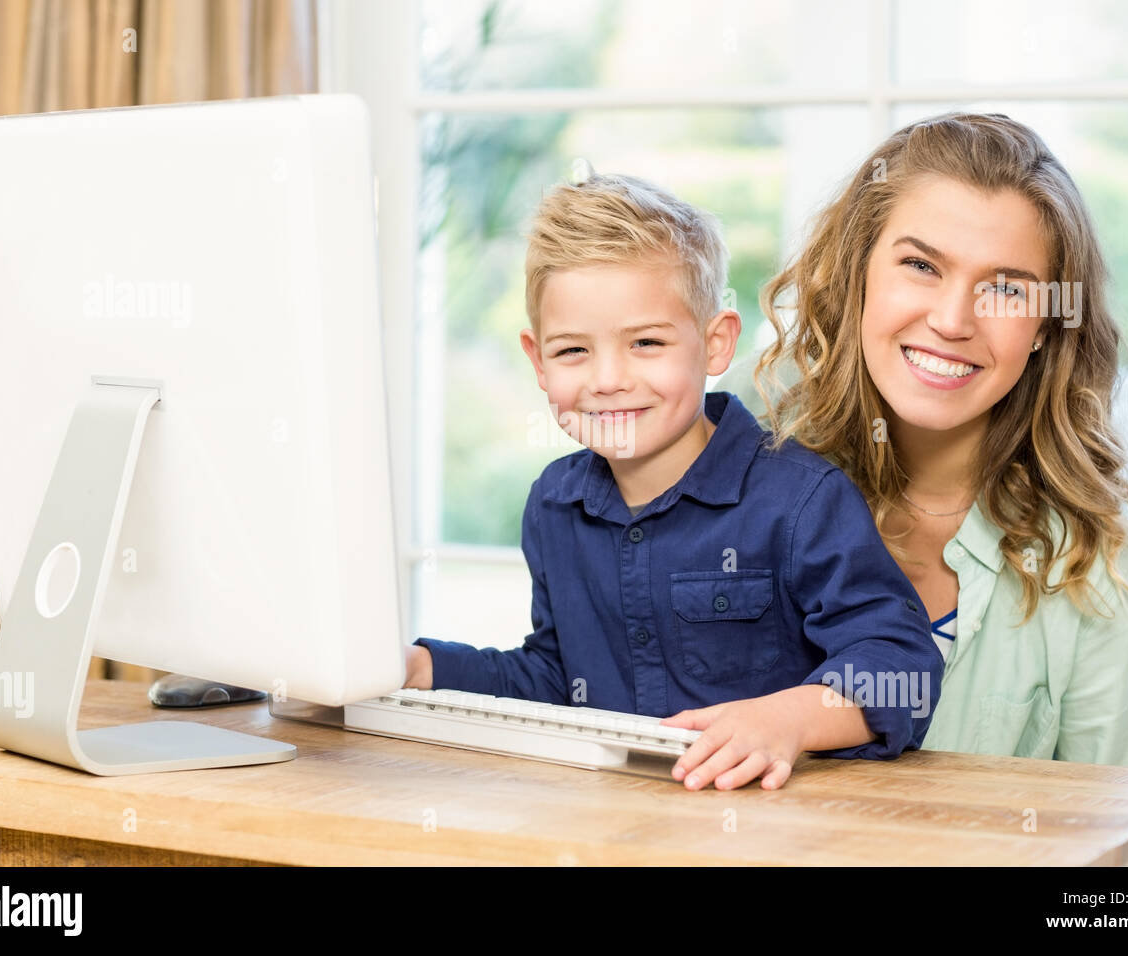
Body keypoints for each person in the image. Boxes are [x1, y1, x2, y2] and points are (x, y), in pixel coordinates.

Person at [404, 171, 943, 790]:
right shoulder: (554, 505)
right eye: (573, 351)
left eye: (646, 342)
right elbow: (556, 678)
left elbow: (905, 668)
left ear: (716, 345)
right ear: (537, 360)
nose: (608, 379)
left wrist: (785, 720)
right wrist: (421, 667)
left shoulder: (800, 501)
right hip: (619, 829)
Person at [753, 112, 1128, 767]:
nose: (952, 321)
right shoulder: (748, 490)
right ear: (860, 272)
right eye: (921, 265)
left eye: (1006, 288)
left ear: (1044, 325)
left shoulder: (1085, 549)